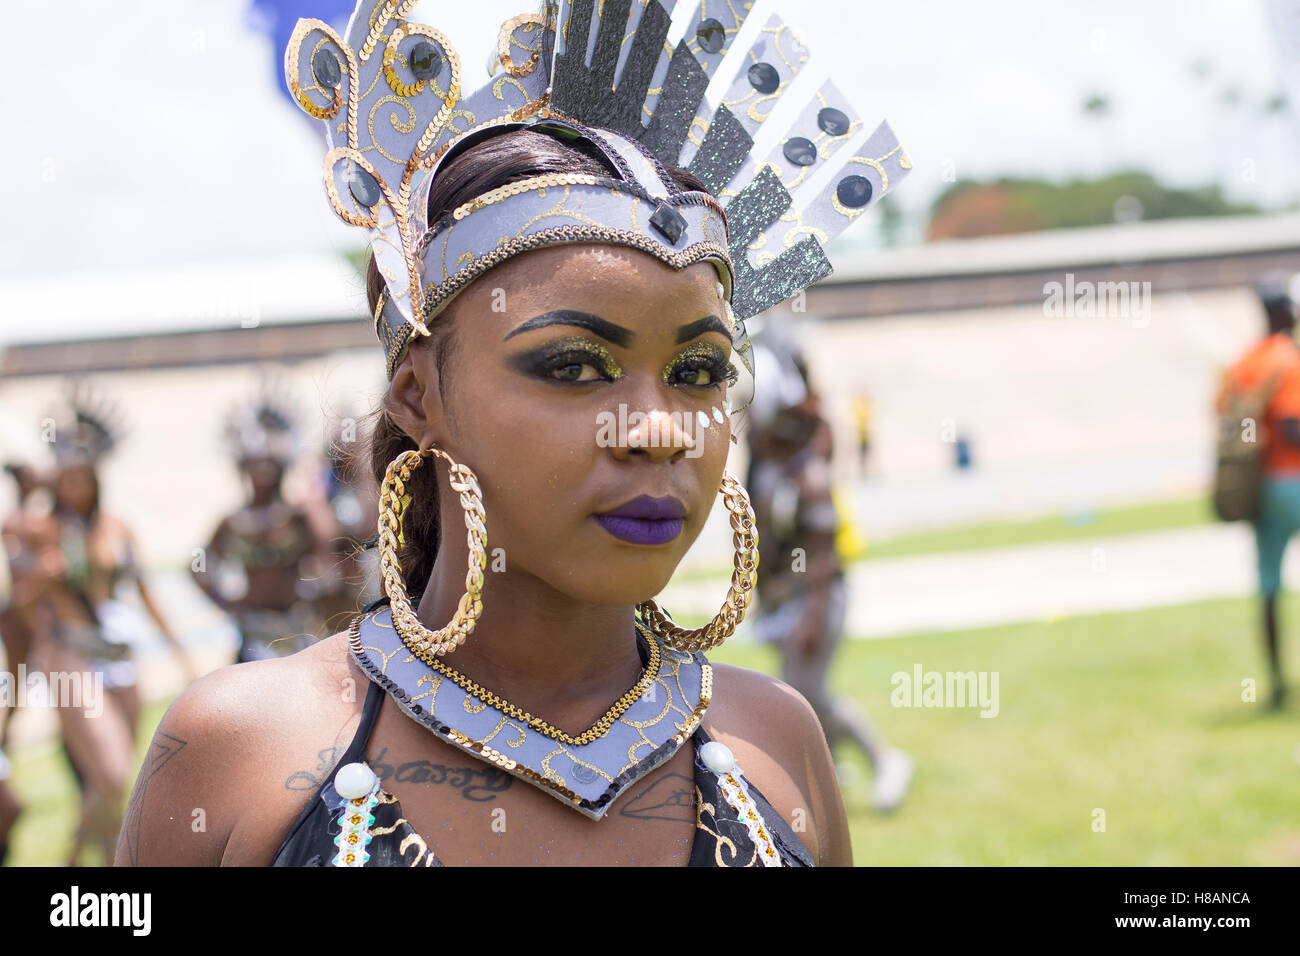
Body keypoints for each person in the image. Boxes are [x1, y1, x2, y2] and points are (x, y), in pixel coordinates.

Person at [118, 0, 911, 866]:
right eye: (572, 366)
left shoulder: (776, 741)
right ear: (419, 395)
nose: (654, 431)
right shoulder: (241, 750)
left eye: (699, 372)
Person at [748, 328, 915, 812]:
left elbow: (823, 555)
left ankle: (885, 761)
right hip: (785, 596)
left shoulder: (807, 470)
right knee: (797, 693)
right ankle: (830, 775)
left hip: (818, 594)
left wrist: (812, 616)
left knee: (808, 694)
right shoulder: (767, 460)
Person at [32, 386, 195, 864]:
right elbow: (20, 602)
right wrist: (42, 582)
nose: (74, 486)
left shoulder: (118, 527)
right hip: (71, 655)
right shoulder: (40, 530)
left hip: (122, 656)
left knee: (117, 783)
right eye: (67, 477)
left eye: (82, 476)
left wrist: (180, 653)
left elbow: (146, 594)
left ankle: (95, 863)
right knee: (109, 771)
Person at [192, 386, 339, 664]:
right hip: (253, 629)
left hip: (297, 625)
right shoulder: (233, 521)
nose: (263, 471)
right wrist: (224, 600)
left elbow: (329, 545)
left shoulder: (298, 514)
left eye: (269, 463)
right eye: (255, 463)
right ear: (242, 466)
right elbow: (198, 563)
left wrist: (316, 584)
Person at [1218, 281, 1300, 709]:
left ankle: (1276, 681)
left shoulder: (1243, 361)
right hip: (1293, 479)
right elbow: (1292, 426)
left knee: (1269, 585)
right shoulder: (1289, 359)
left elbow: (1225, 419)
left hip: (1259, 486)